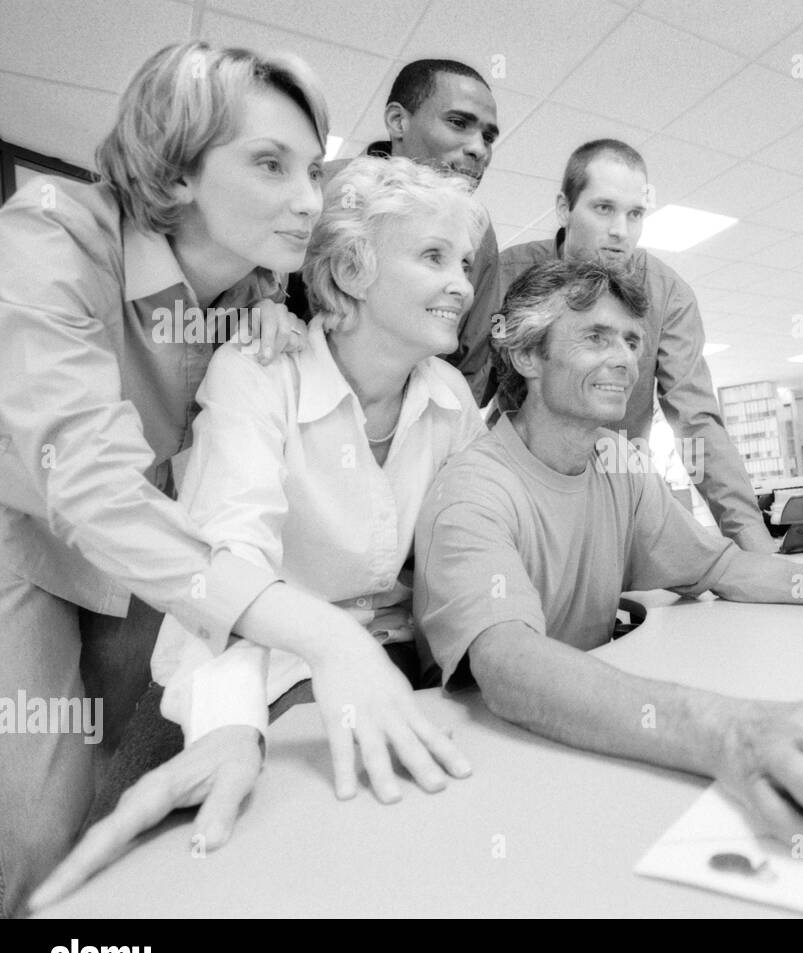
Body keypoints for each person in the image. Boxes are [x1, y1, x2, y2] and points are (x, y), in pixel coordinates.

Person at [28, 155, 490, 913]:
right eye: (433, 257)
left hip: (393, 659)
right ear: (353, 269)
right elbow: (225, 563)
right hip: (263, 656)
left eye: (465, 263)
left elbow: (463, 557)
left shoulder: (451, 400)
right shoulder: (258, 371)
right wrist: (231, 723)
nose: (463, 284)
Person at [415, 259, 803, 866]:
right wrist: (729, 730)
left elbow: (721, 568)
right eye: (595, 336)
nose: (626, 359)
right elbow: (508, 666)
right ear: (527, 355)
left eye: (632, 340)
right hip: (497, 771)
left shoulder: (616, 461)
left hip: (596, 740)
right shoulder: (473, 488)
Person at [0, 41, 326, 917]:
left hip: (140, 561)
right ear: (177, 173)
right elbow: (88, 483)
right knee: (33, 822)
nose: (310, 201)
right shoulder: (46, 238)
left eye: (314, 170)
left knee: (126, 778)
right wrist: (322, 633)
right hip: (23, 536)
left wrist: (267, 320)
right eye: (269, 164)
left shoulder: (252, 293)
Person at [489, 139, 776, 553]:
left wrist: (753, 541)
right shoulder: (504, 275)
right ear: (564, 207)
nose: (620, 232)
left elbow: (696, 422)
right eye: (603, 208)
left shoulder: (668, 294)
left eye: (635, 214)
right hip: (514, 490)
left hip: (614, 490)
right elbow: (465, 390)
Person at [285, 58, 502, 404]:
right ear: (398, 121)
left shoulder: (478, 231)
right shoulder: (319, 190)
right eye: (459, 123)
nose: (479, 148)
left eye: (488, 137)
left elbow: (471, 362)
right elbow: (262, 306)